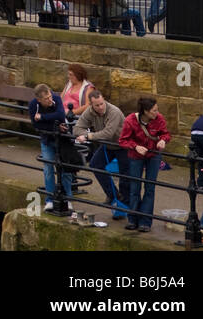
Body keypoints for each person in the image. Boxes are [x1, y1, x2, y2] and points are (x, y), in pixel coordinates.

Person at [118, 96, 171, 232]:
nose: (157, 113)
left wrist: (163, 140)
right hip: (136, 156)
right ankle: (133, 219)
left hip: (153, 155)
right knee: (135, 188)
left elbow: (166, 134)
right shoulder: (130, 120)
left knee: (150, 187)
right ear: (145, 111)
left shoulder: (159, 119)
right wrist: (135, 146)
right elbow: (123, 140)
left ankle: (145, 222)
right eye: (154, 110)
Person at [73, 90, 128, 214]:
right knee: (95, 165)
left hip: (122, 145)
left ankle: (125, 204)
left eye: (102, 103)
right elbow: (77, 128)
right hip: (107, 145)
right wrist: (85, 134)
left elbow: (108, 133)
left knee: (125, 175)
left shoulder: (114, 111)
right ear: (92, 105)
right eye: (97, 105)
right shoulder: (90, 112)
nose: (100, 107)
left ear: (104, 100)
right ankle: (112, 194)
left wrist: (88, 136)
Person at [30, 83, 75, 210]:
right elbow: (36, 125)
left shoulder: (56, 99)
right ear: (39, 100)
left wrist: (43, 117)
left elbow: (60, 115)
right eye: (46, 99)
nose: (50, 100)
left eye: (50, 96)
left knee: (65, 169)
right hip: (47, 140)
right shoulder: (33, 105)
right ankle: (50, 199)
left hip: (62, 140)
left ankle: (68, 199)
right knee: (48, 169)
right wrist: (53, 126)